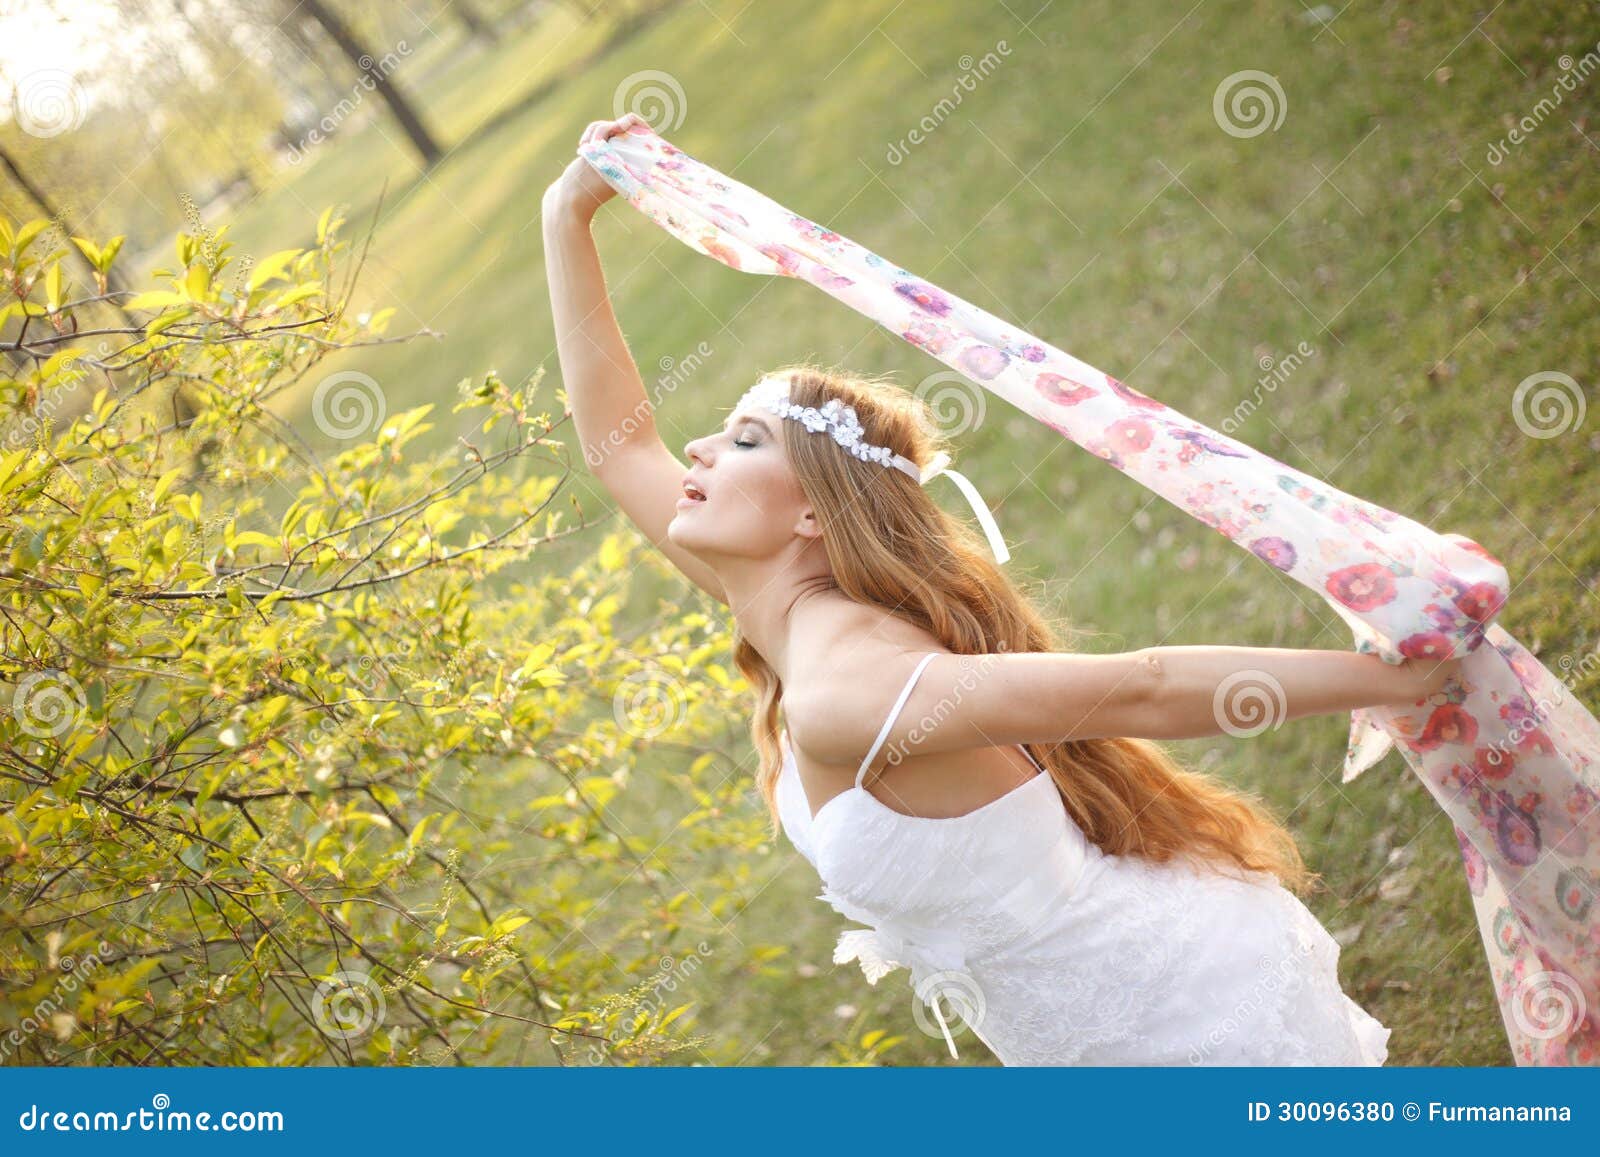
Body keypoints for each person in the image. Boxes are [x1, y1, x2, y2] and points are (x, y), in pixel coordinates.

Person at [541, 114, 1460, 1065]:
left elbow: (1140, 685)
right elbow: (620, 446)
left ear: (812, 514)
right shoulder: (788, 615)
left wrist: (1388, 682)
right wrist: (567, 212)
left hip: (1185, 1029)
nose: (694, 449)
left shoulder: (845, 689)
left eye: (740, 442)